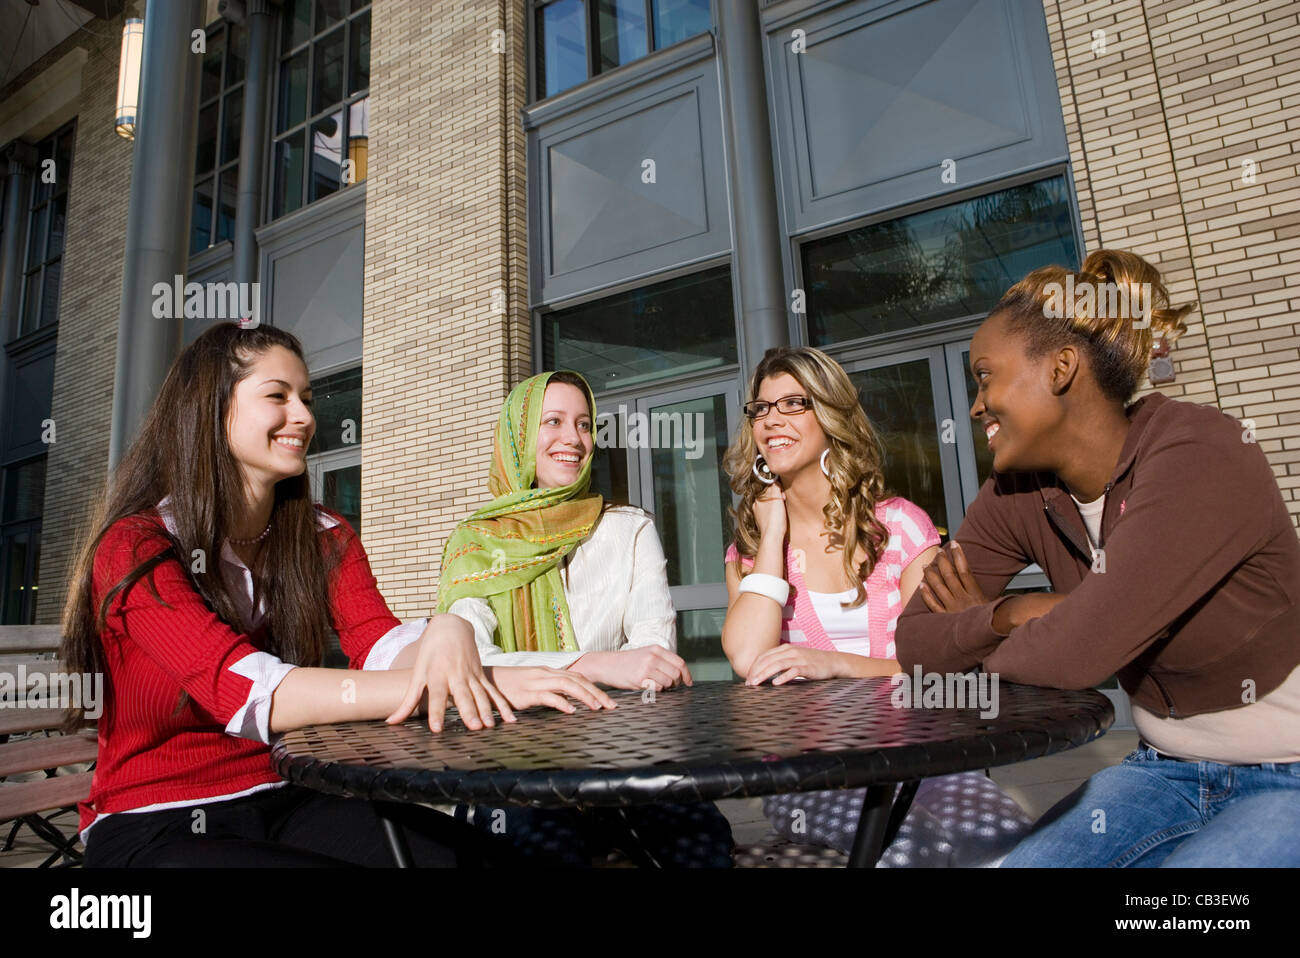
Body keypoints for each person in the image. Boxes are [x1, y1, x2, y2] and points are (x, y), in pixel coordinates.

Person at [63, 323, 613, 868]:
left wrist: (448, 632)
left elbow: (378, 645)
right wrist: (449, 688)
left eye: (305, 397)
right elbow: (251, 691)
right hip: (153, 819)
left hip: (285, 789)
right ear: (210, 409)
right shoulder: (135, 546)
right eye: (277, 396)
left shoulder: (324, 535)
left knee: (488, 860)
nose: (304, 416)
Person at [896, 249, 1300, 867]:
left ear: (1060, 369)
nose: (975, 407)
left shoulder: (1199, 451)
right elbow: (916, 641)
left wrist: (1035, 619)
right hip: (1164, 771)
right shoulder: (1018, 491)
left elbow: (1083, 651)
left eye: (984, 376)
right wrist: (1008, 615)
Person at [720, 345, 1032, 866]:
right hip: (813, 774)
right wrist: (772, 531)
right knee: (913, 849)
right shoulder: (751, 554)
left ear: (830, 415)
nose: (772, 419)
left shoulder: (902, 528)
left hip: (925, 756)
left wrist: (837, 666)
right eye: (761, 408)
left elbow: (942, 665)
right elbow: (748, 658)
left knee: (1007, 843)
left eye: (794, 403)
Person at [435, 370, 733, 866]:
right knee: (540, 850)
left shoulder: (629, 528)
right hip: (514, 757)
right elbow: (473, 662)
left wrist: (592, 673)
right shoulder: (477, 544)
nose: (573, 438)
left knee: (703, 847)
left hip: (624, 749)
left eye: (584, 424)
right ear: (519, 435)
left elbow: (653, 659)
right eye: (552, 421)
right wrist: (593, 665)